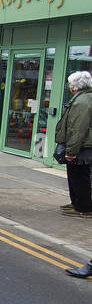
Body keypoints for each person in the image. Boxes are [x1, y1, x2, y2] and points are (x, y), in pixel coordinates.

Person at [54, 70, 92, 217]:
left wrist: (71, 151)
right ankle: (76, 203)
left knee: (79, 176)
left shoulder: (82, 101)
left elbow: (78, 128)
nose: (69, 87)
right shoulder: (83, 98)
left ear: (76, 86)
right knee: (75, 175)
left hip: (82, 147)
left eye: (71, 84)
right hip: (82, 145)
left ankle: (83, 208)